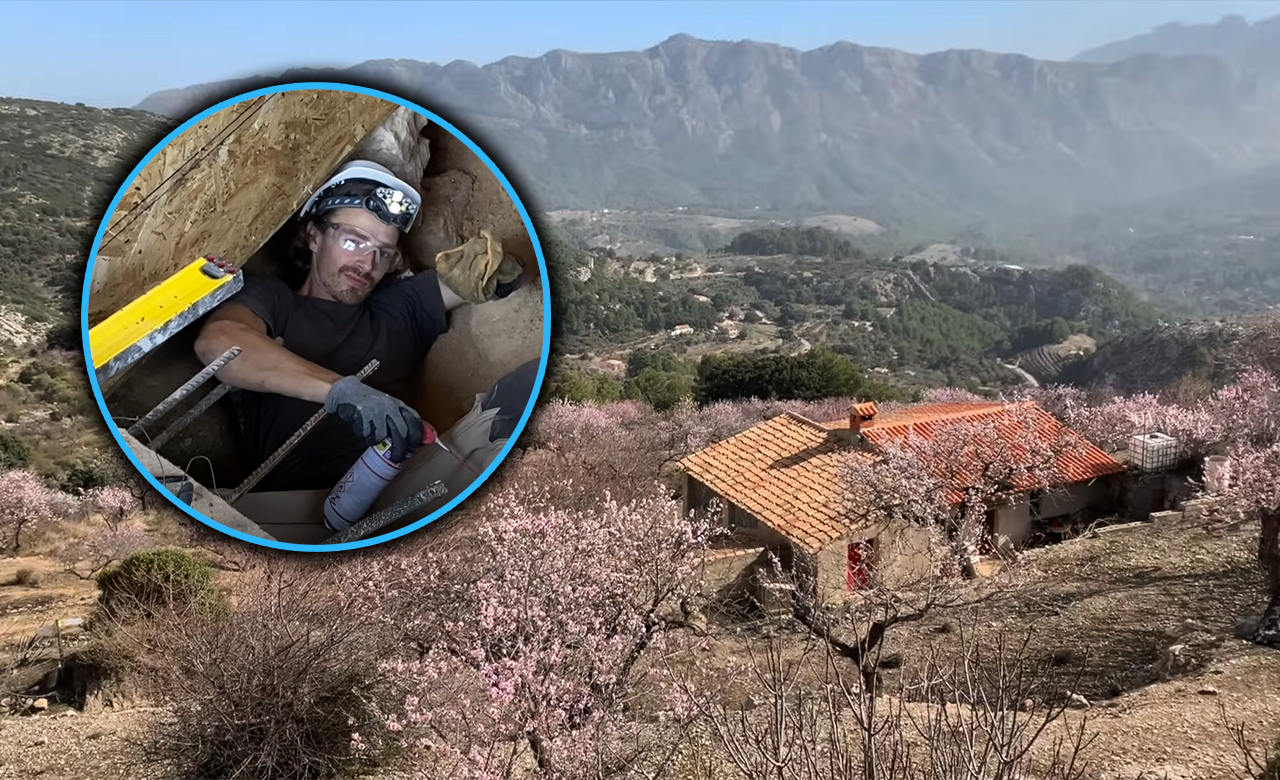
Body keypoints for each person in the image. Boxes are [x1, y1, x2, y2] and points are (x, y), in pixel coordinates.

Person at [193, 160, 526, 493]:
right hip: (296, 500)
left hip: (413, 482)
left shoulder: (399, 308)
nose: (367, 264)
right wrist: (340, 391)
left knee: (529, 389)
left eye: (383, 253)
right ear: (314, 236)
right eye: (354, 242)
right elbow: (218, 343)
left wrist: (492, 270)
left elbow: (467, 280)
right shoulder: (275, 300)